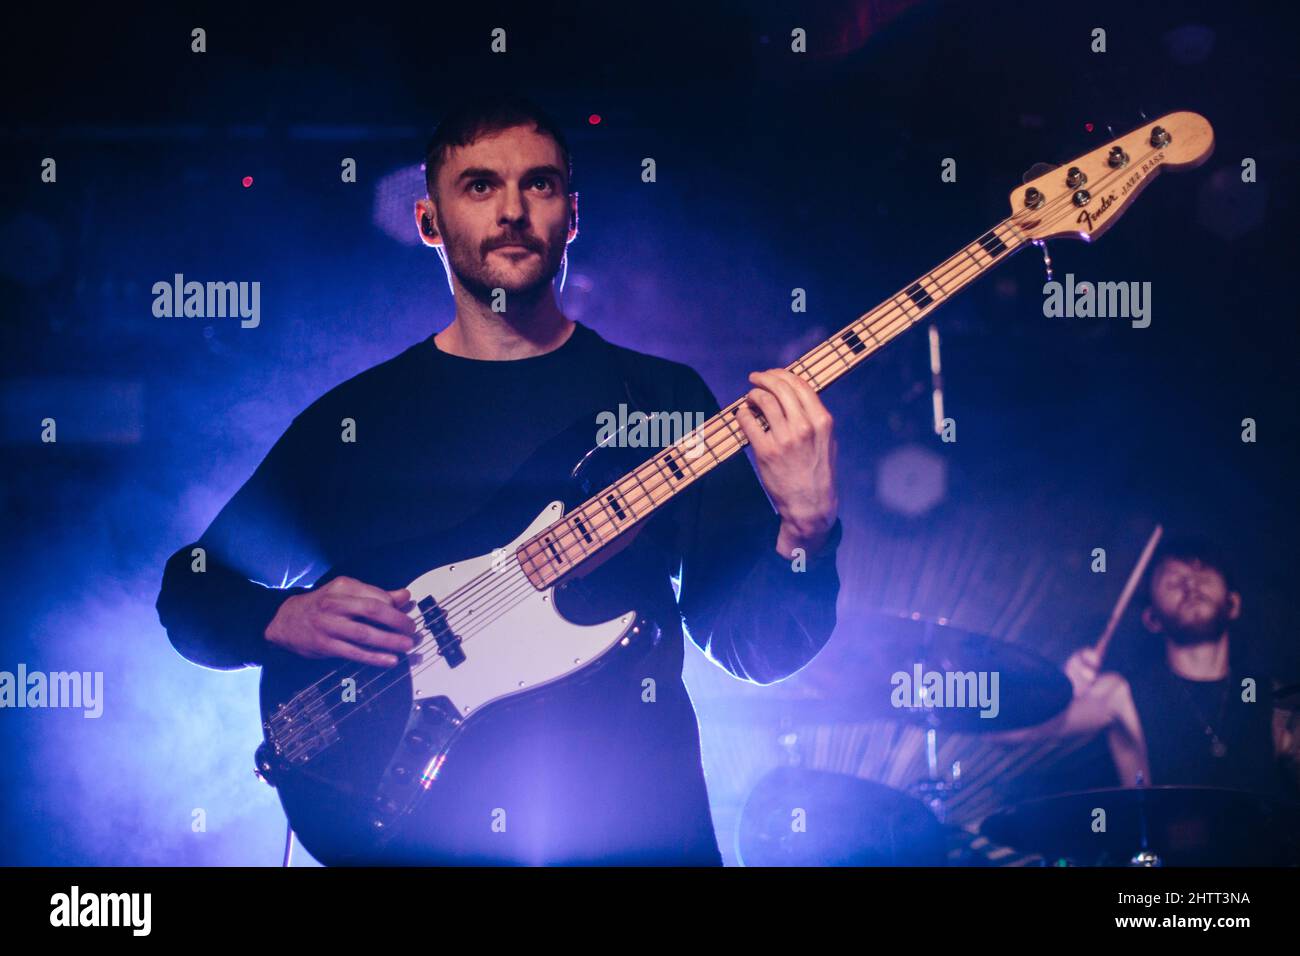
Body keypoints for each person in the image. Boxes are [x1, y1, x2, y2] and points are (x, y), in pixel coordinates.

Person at [155, 93, 843, 865]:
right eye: (480, 186)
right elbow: (191, 588)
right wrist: (279, 618)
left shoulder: (664, 400)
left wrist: (806, 533)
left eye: (539, 185)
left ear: (571, 215)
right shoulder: (356, 420)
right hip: (414, 836)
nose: (513, 210)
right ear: (429, 222)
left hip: (638, 835)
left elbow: (756, 646)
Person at [1006, 536, 1297, 798]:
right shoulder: (1120, 694)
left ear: (1233, 604)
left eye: (1203, 575)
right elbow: (1011, 734)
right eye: (1173, 581)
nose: (1190, 586)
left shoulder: (1274, 700)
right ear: (1152, 619)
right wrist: (1058, 694)